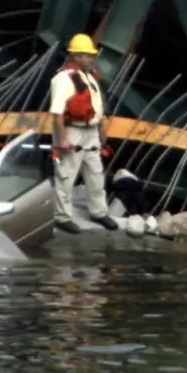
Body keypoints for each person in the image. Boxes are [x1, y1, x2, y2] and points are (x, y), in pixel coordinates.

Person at [49, 33, 115, 233]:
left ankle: (99, 212)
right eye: (86, 55)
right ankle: (62, 216)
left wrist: (101, 130)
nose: (91, 58)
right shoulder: (63, 79)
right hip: (73, 130)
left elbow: (97, 106)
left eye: (91, 55)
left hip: (91, 130)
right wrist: (62, 139)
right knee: (66, 174)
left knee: (95, 172)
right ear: (76, 56)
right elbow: (56, 112)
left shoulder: (90, 77)